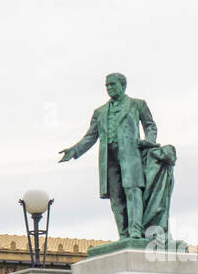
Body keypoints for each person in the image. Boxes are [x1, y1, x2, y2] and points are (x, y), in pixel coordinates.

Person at [59, 73, 157, 241]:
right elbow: (91, 136)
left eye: (112, 84)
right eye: (107, 86)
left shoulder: (137, 105)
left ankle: (135, 230)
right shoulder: (100, 112)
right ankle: (123, 233)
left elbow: (150, 125)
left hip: (130, 155)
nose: (109, 88)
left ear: (123, 85)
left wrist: (149, 141)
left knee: (133, 192)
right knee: (116, 197)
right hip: (109, 158)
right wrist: (73, 151)